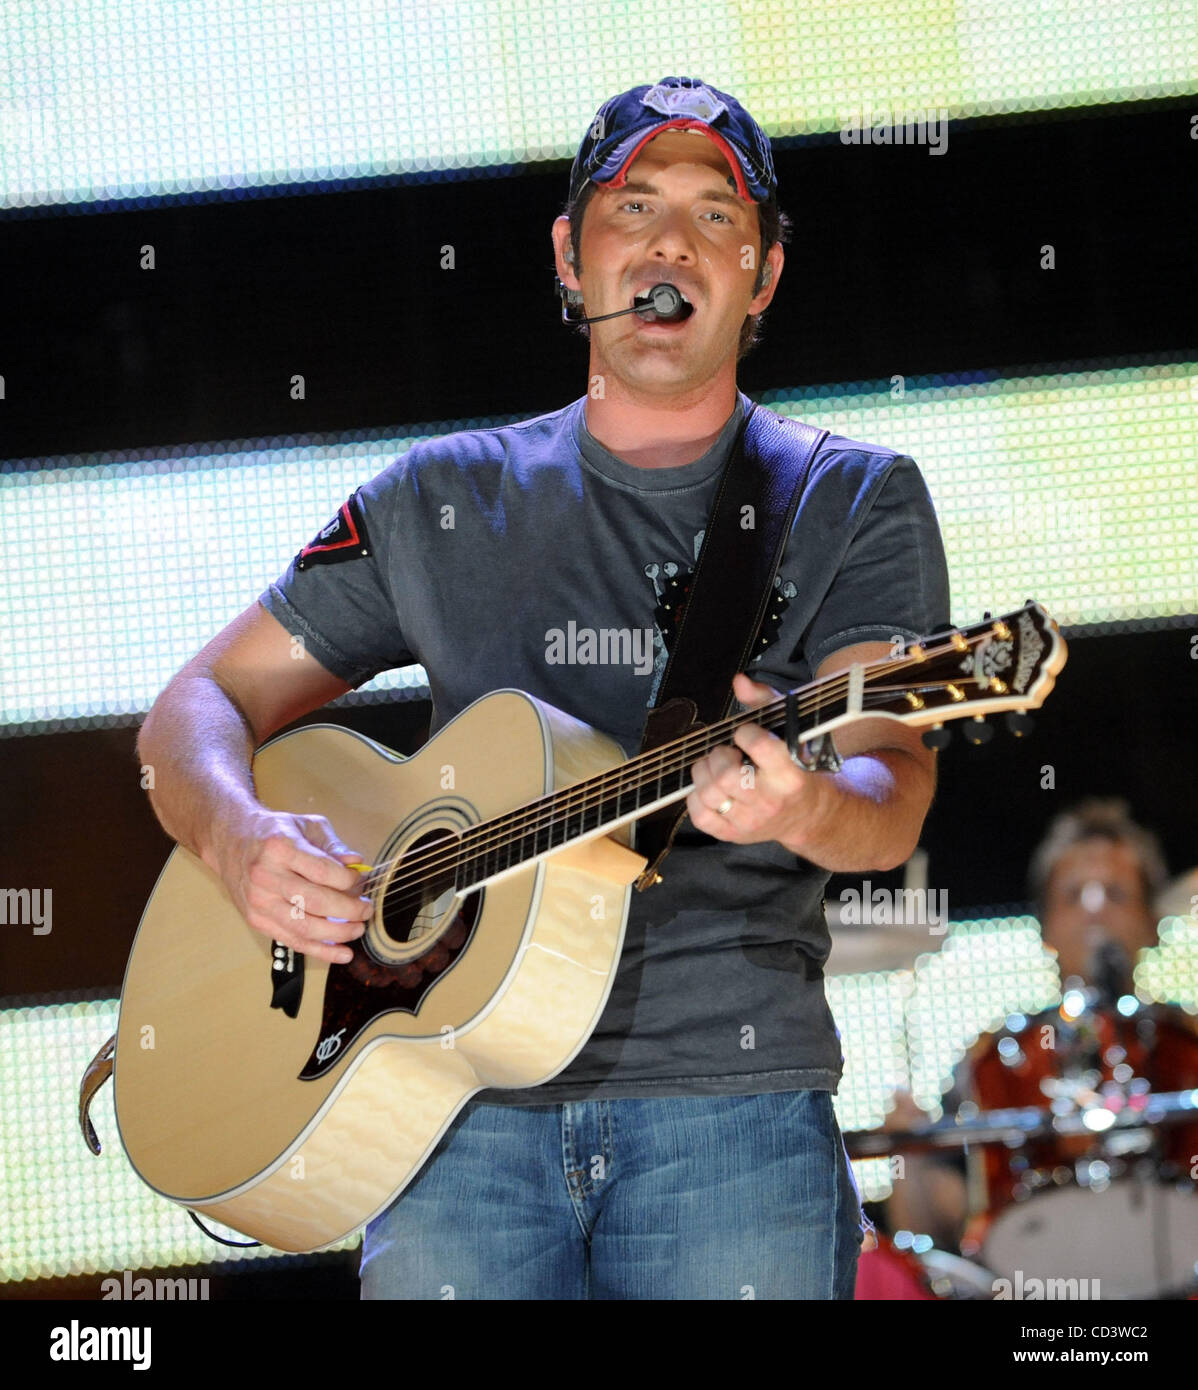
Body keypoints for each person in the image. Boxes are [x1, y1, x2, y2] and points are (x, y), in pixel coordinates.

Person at [137, 76, 950, 1300]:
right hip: (444, 1116)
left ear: (763, 274)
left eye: (716, 216)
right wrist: (239, 831)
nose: (671, 242)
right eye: (632, 208)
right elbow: (190, 712)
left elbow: (889, 788)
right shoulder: (438, 495)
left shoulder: (852, 498)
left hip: (727, 1117)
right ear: (572, 257)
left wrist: (799, 808)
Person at [884, 797, 1196, 1261]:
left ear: (1153, 923)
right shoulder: (993, 1060)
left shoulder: (1188, 1046)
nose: (1095, 911)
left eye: (1116, 893)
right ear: (1044, 927)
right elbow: (937, 1230)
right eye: (1074, 895)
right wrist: (907, 1155)